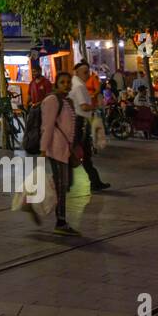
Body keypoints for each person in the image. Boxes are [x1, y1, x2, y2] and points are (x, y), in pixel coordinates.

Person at [38, 71, 79, 235]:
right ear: (56, 84)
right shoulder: (52, 100)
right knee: (61, 185)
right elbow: (47, 126)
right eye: (62, 82)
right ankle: (60, 221)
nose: (66, 85)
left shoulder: (67, 101)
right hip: (55, 149)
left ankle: (42, 206)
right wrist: (43, 149)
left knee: (62, 184)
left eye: (68, 82)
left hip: (65, 150)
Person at [70, 62, 110, 190]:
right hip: (80, 122)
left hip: (78, 122)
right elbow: (84, 106)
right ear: (77, 73)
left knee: (82, 154)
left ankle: (95, 181)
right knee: (83, 154)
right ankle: (93, 182)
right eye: (85, 72)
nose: (87, 75)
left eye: (88, 72)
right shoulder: (79, 86)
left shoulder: (75, 84)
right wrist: (96, 106)